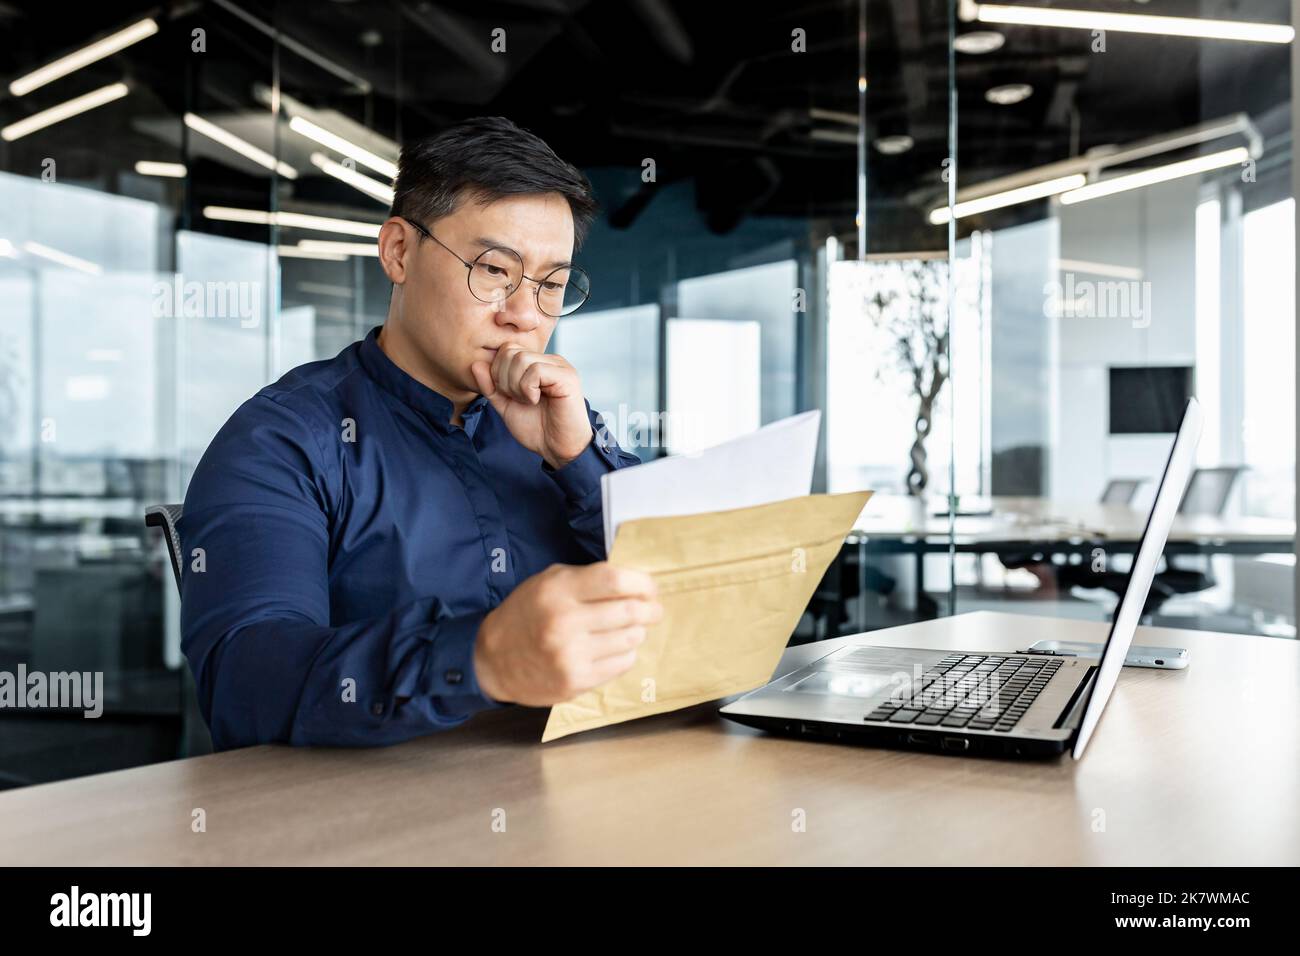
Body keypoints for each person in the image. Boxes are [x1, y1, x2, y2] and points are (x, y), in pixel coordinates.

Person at [180, 116, 661, 749]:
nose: (524, 315)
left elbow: (683, 605)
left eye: (550, 285)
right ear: (399, 253)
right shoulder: (285, 439)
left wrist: (578, 461)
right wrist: (481, 657)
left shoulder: (562, 429)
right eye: (494, 270)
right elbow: (247, 687)